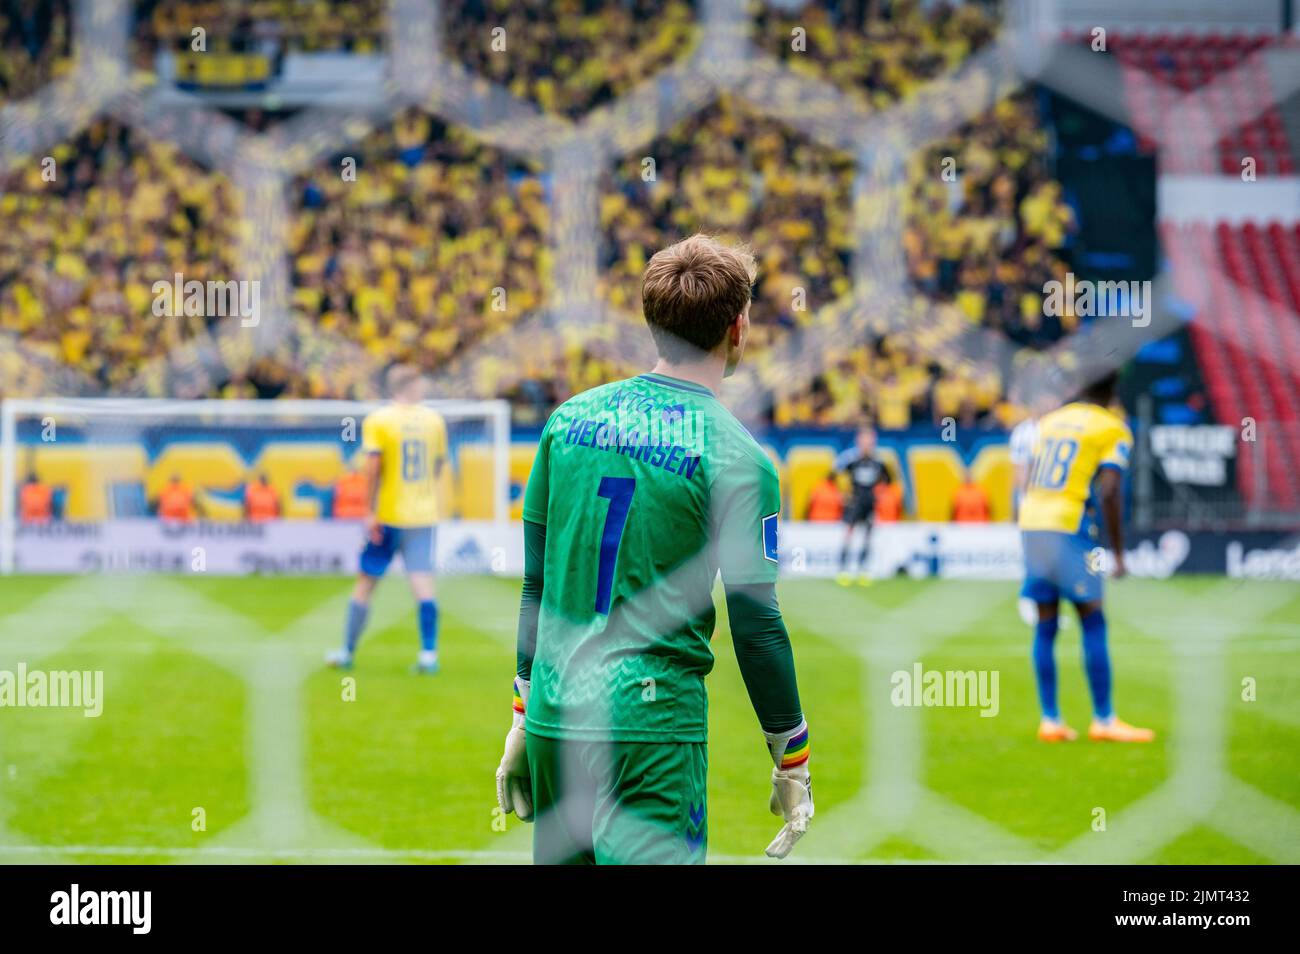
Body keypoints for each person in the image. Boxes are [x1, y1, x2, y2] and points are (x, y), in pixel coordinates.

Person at [495, 234, 813, 864]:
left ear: (651, 322)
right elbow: (756, 625)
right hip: (651, 731)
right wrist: (791, 756)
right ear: (737, 328)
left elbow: (536, 584)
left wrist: (522, 710)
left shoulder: (567, 422)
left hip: (557, 715)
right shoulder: (737, 457)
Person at [1019, 372, 1154, 743]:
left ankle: (1050, 720)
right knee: (1092, 619)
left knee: (1045, 624)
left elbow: (1031, 476)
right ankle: (1104, 719)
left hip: (1032, 522)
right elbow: (1110, 490)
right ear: (1113, 392)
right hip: (1071, 527)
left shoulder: (1049, 421)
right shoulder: (1112, 428)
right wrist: (1118, 553)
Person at [326, 364, 449, 674]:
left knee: (366, 582)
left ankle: (347, 651)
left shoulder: (380, 420)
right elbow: (437, 467)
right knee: (423, 584)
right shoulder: (434, 421)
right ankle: (428, 655)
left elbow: (373, 468)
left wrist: (369, 511)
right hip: (423, 515)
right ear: (414, 386)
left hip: (389, 515)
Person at [834, 425, 891, 585]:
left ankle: (863, 570)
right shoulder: (851, 459)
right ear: (858, 441)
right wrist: (843, 494)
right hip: (854, 503)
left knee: (867, 537)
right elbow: (836, 475)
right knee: (849, 535)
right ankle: (843, 569)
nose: (867, 443)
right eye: (864, 440)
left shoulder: (878, 462)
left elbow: (888, 481)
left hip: (870, 504)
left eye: (870, 440)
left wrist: (879, 495)